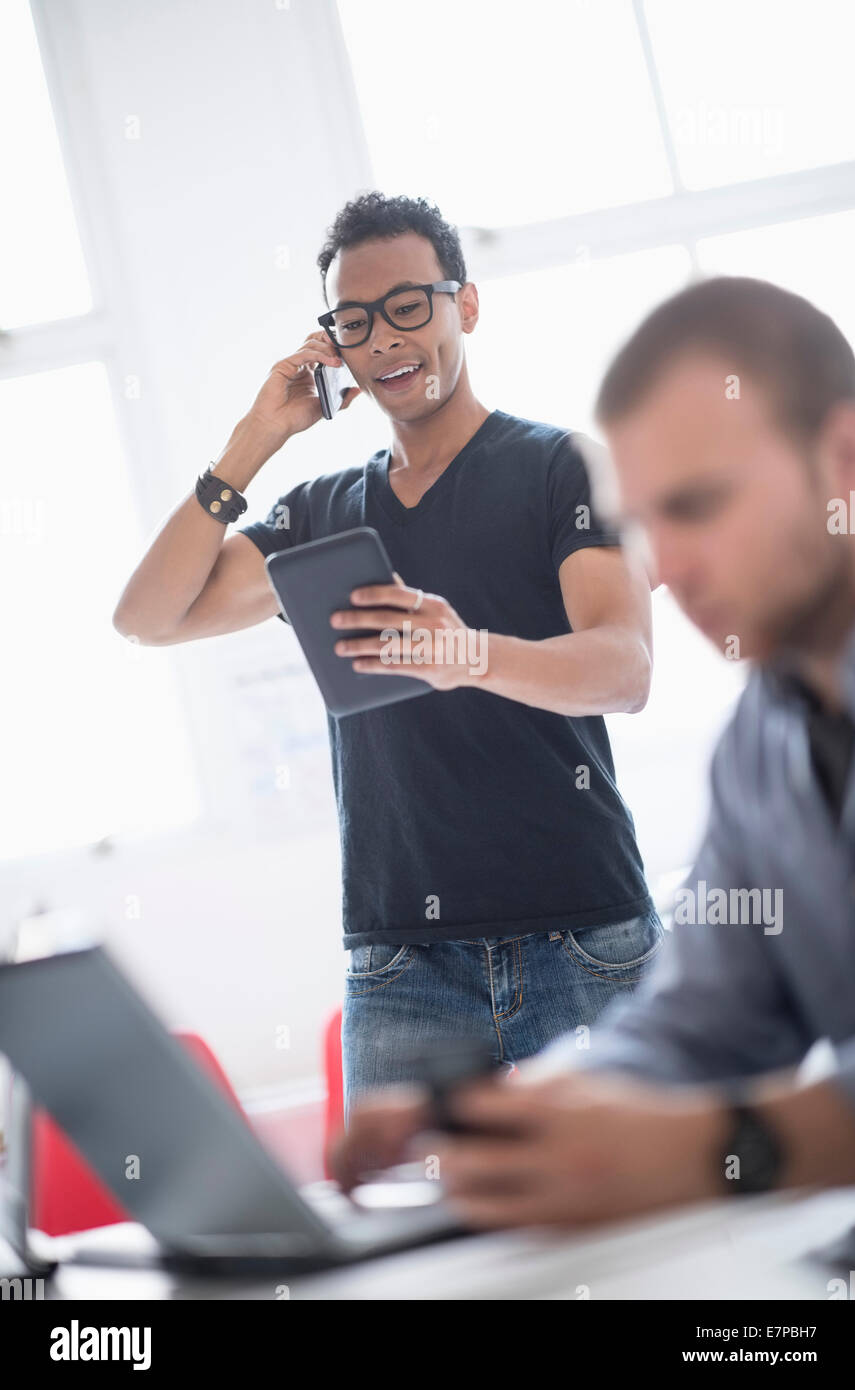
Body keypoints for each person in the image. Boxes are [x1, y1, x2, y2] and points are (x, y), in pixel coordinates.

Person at [331, 276, 855, 1223]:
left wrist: (725, 1145)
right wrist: (519, 1111)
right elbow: (701, 1020)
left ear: (848, 463)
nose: (666, 565)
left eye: (698, 506)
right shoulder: (759, 747)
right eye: (640, 525)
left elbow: (721, 1114)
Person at [113, 193, 659, 1112]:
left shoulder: (562, 467)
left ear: (465, 306)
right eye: (354, 320)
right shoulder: (319, 512)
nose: (385, 339)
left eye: (409, 305)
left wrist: (470, 653)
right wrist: (253, 443)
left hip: (588, 942)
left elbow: (624, 668)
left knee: (654, 1229)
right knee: (409, 1242)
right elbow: (149, 617)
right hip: (402, 963)